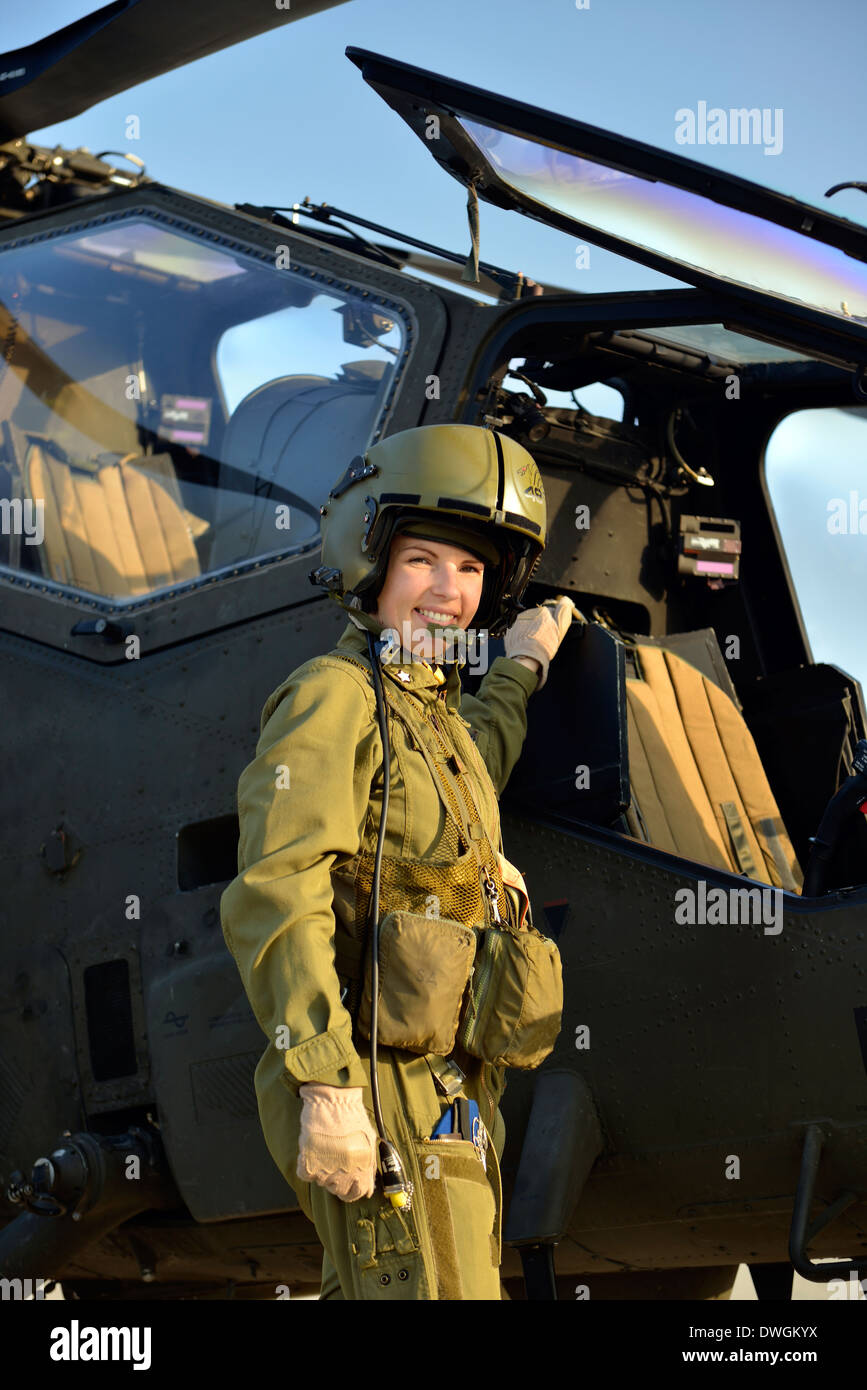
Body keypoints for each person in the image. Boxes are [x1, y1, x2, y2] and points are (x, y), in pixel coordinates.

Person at [220, 423, 574, 1300]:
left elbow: (472, 762)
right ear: (371, 561)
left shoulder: (432, 718)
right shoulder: (329, 697)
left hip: (448, 1076)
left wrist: (523, 664)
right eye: (423, 560)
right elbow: (277, 888)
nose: (447, 593)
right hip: (367, 1073)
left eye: (471, 570)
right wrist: (324, 1081)